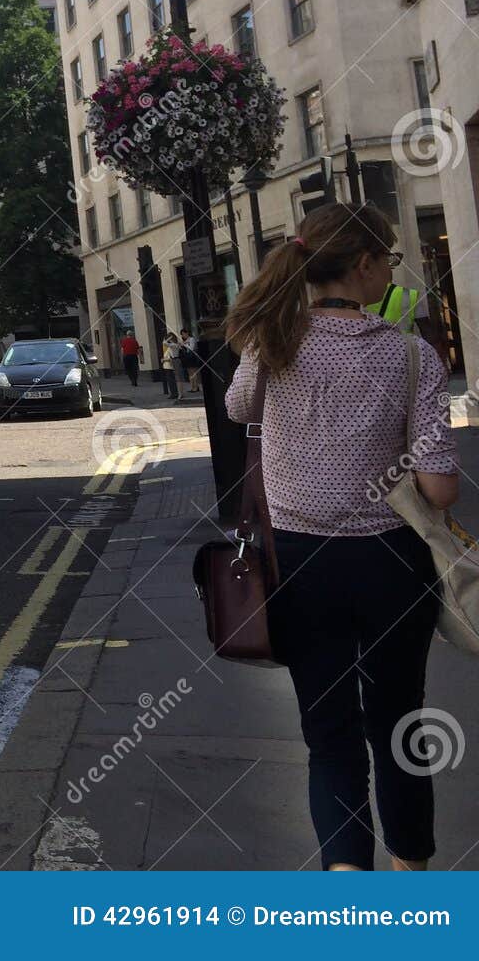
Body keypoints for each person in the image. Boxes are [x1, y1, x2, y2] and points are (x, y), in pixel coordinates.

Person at [224, 203, 458, 872]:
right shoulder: (412, 355)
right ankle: (412, 873)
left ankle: (349, 886)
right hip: (393, 565)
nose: (391, 269)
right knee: (399, 725)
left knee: (330, 738)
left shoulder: (272, 343)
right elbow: (440, 490)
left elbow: (240, 409)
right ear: (363, 265)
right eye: (388, 257)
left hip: (298, 566)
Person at [175, 327, 199, 394]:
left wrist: (184, 344)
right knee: (189, 373)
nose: (183, 335)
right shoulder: (184, 341)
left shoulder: (191, 339)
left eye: (183, 334)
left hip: (192, 357)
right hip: (187, 358)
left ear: (187, 333)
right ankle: (192, 387)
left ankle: (196, 387)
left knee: (193, 372)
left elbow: (191, 348)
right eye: (182, 334)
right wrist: (181, 345)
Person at [159, 332, 180, 400]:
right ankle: (173, 393)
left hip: (170, 364)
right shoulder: (170, 345)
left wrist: (164, 359)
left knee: (171, 380)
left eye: (168, 338)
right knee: (170, 380)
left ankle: (174, 393)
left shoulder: (173, 345)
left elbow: (171, 356)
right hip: (167, 365)